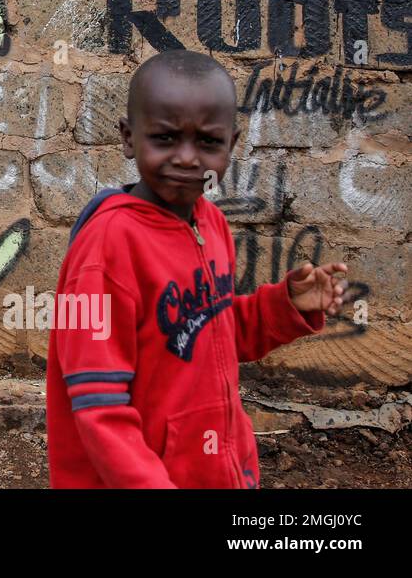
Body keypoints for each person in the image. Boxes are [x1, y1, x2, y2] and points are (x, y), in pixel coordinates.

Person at [45, 50, 347, 488]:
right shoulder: (108, 247)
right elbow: (99, 406)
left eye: (208, 142)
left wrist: (285, 306)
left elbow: (212, 334)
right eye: (165, 138)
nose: (188, 159)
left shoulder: (212, 223)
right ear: (129, 138)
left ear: (231, 144)